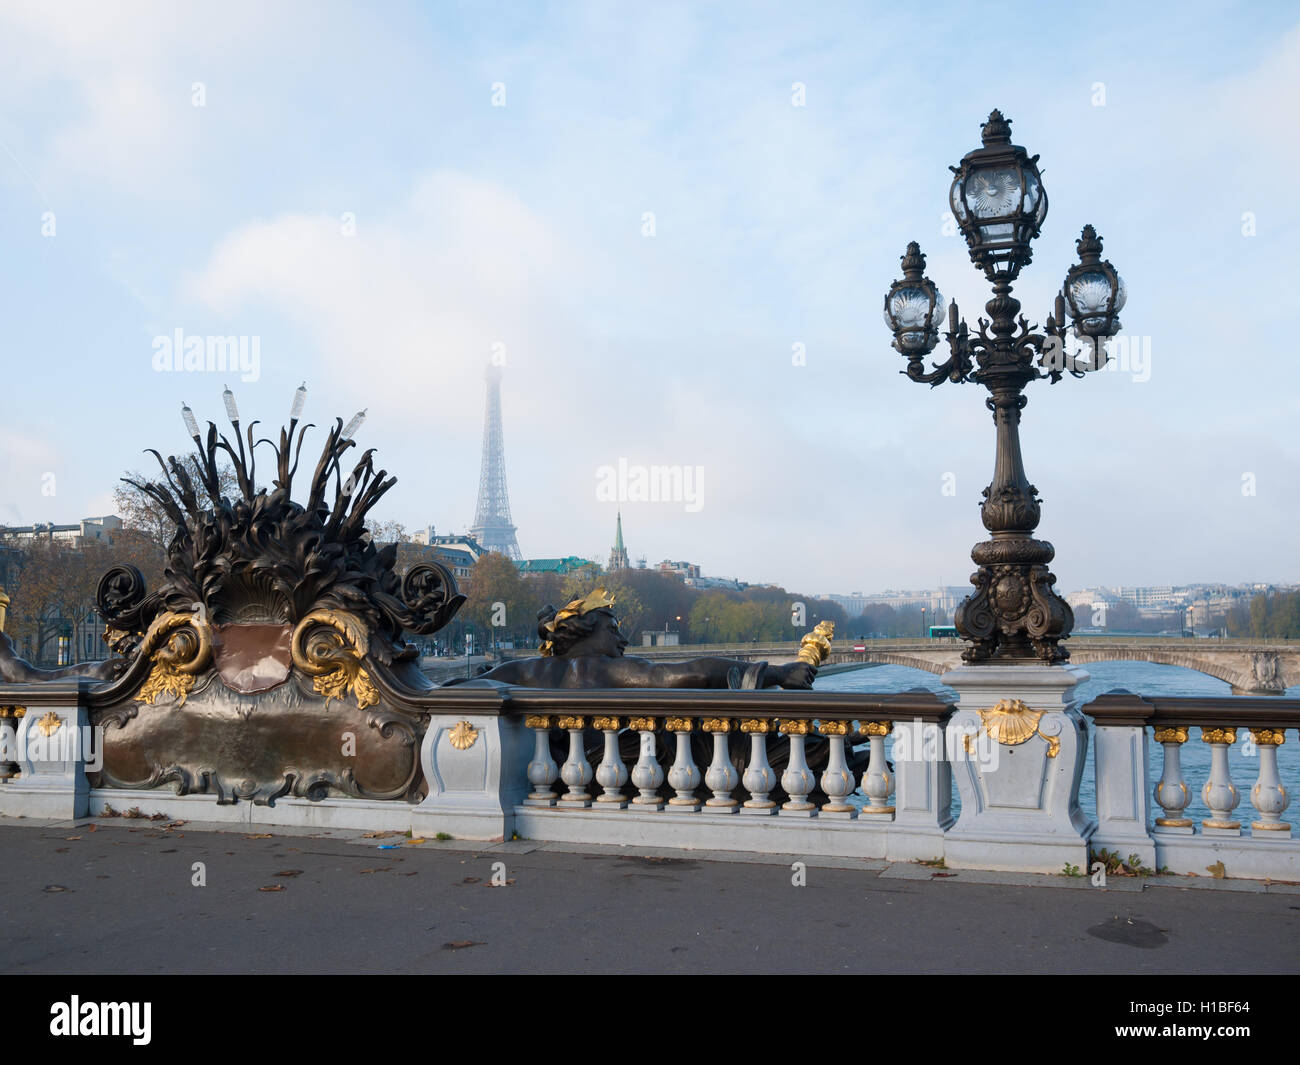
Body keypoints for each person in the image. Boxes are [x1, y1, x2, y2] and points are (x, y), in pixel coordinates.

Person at [446, 588, 816, 689]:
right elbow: (690, 674)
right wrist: (779, 675)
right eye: (613, 628)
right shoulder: (596, 669)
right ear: (588, 629)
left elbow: (461, 688)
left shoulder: (524, 670)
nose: (622, 639)